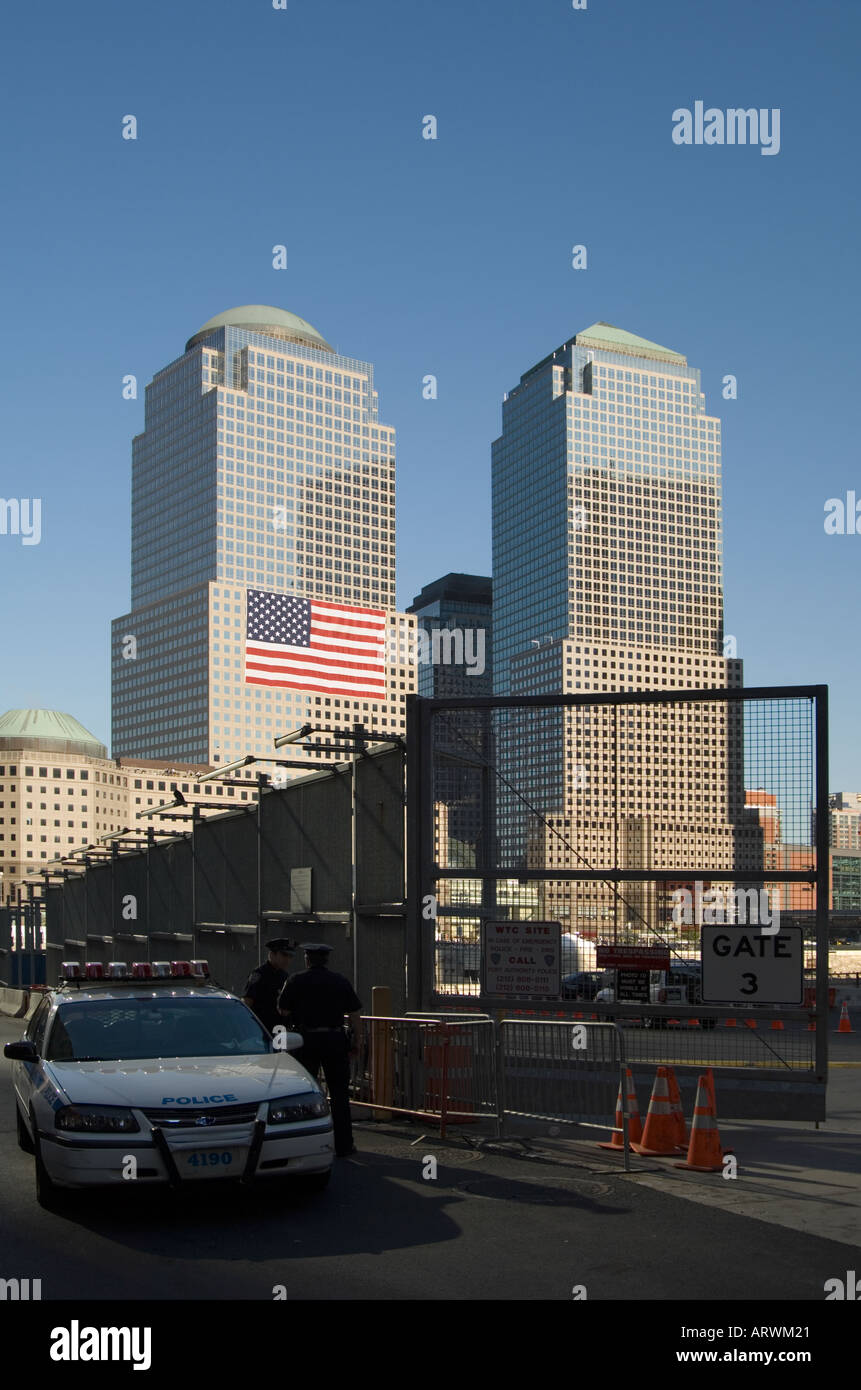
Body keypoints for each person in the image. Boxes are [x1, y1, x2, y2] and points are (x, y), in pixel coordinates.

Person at [277, 943, 362, 1157]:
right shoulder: (340, 981)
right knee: (340, 1095)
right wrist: (357, 1041)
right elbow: (354, 1014)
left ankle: (308, 1144)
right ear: (326, 960)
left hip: (306, 1040)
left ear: (307, 960)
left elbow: (283, 1008)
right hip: (335, 1040)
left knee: (304, 1093)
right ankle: (344, 1144)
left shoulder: (295, 980)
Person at [241, 939, 295, 1035]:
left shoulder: (285, 976)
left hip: (279, 1030)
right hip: (261, 1029)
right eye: (284, 955)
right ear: (272, 954)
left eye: (290, 956)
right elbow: (247, 1002)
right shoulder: (259, 974)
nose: (287, 959)